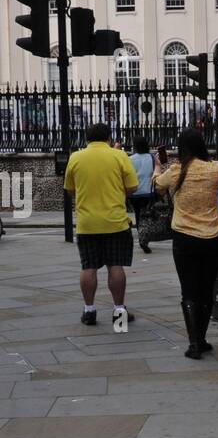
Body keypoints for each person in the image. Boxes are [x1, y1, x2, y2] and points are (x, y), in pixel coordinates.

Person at [153, 130, 218, 358]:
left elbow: (157, 187)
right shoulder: (215, 169)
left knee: (189, 291)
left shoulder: (176, 171)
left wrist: (157, 167)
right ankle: (201, 339)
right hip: (213, 236)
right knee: (206, 289)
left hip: (185, 238)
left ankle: (194, 344)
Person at [63, 122, 137, 327]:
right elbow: (132, 187)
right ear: (108, 139)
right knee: (116, 265)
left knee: (88, 267)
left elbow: (70, 189)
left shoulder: (76, 158)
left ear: (87, 139)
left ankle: (89, 311)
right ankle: (119, 314)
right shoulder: (119, 156)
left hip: (87, 223)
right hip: (115, 222)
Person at [129, 136, 155, 253]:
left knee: (138, 215)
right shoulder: (152, 157)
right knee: (147, 215)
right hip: (148, 192)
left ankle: (142, 237)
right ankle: (145, 237)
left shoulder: (130, 159)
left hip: (135, 192)